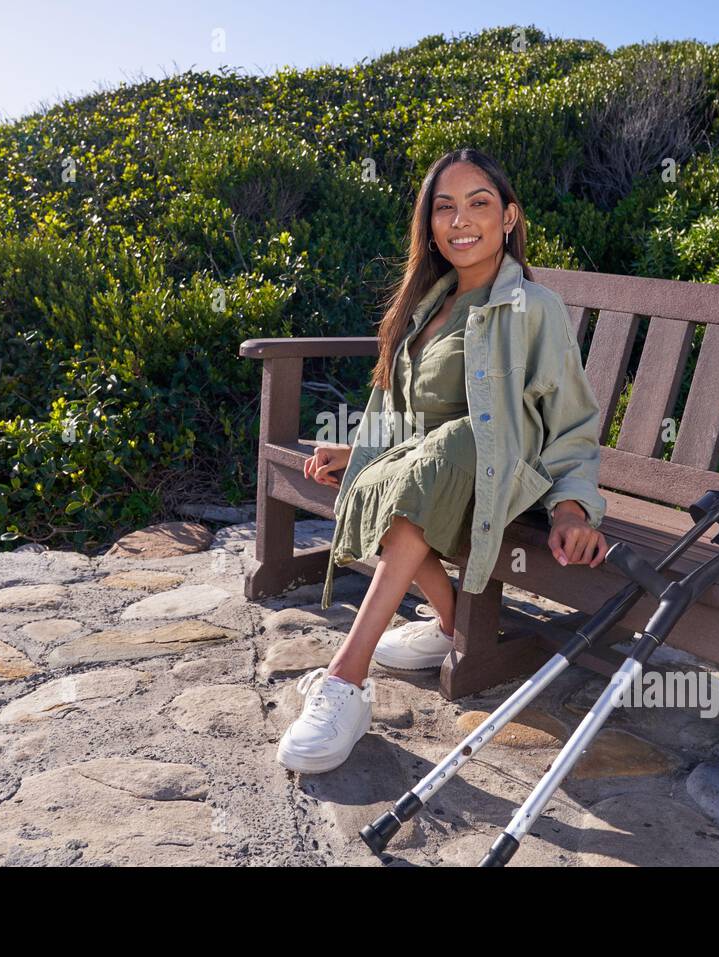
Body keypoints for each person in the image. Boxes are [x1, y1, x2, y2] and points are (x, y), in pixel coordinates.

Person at [275, 147, 609, 774]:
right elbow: (409, 412)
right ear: (428, 225)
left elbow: (572, 424)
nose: (461, 219)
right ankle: (458, 623)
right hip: (428, 472)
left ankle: (346, 678)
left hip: (498, 473)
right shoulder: (428, 304)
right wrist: (359, 450)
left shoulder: (534, 309)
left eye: (479, 203)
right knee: (396, 469)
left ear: (508, 217)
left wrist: (572, 507)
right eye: (444, 207)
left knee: (445, 451)